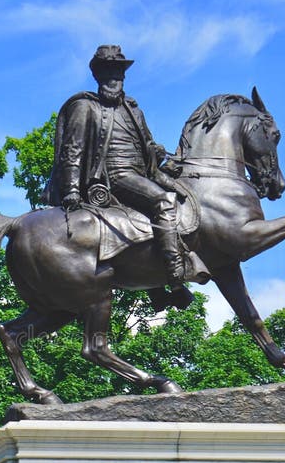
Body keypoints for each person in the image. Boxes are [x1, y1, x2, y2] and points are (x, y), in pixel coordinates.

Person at [44, 45, 187, 290]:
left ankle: (155, 288)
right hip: (113, 176)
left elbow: (147, 145)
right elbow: (73, 149)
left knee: (182, 196)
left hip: (141, 173)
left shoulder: (133, 110)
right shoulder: (85, 106)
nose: (113, 77)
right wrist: (71, 190)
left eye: (118, 72)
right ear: (98, 76)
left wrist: (158, 152)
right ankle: (175, 271)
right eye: (107, 72)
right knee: (163, 201)